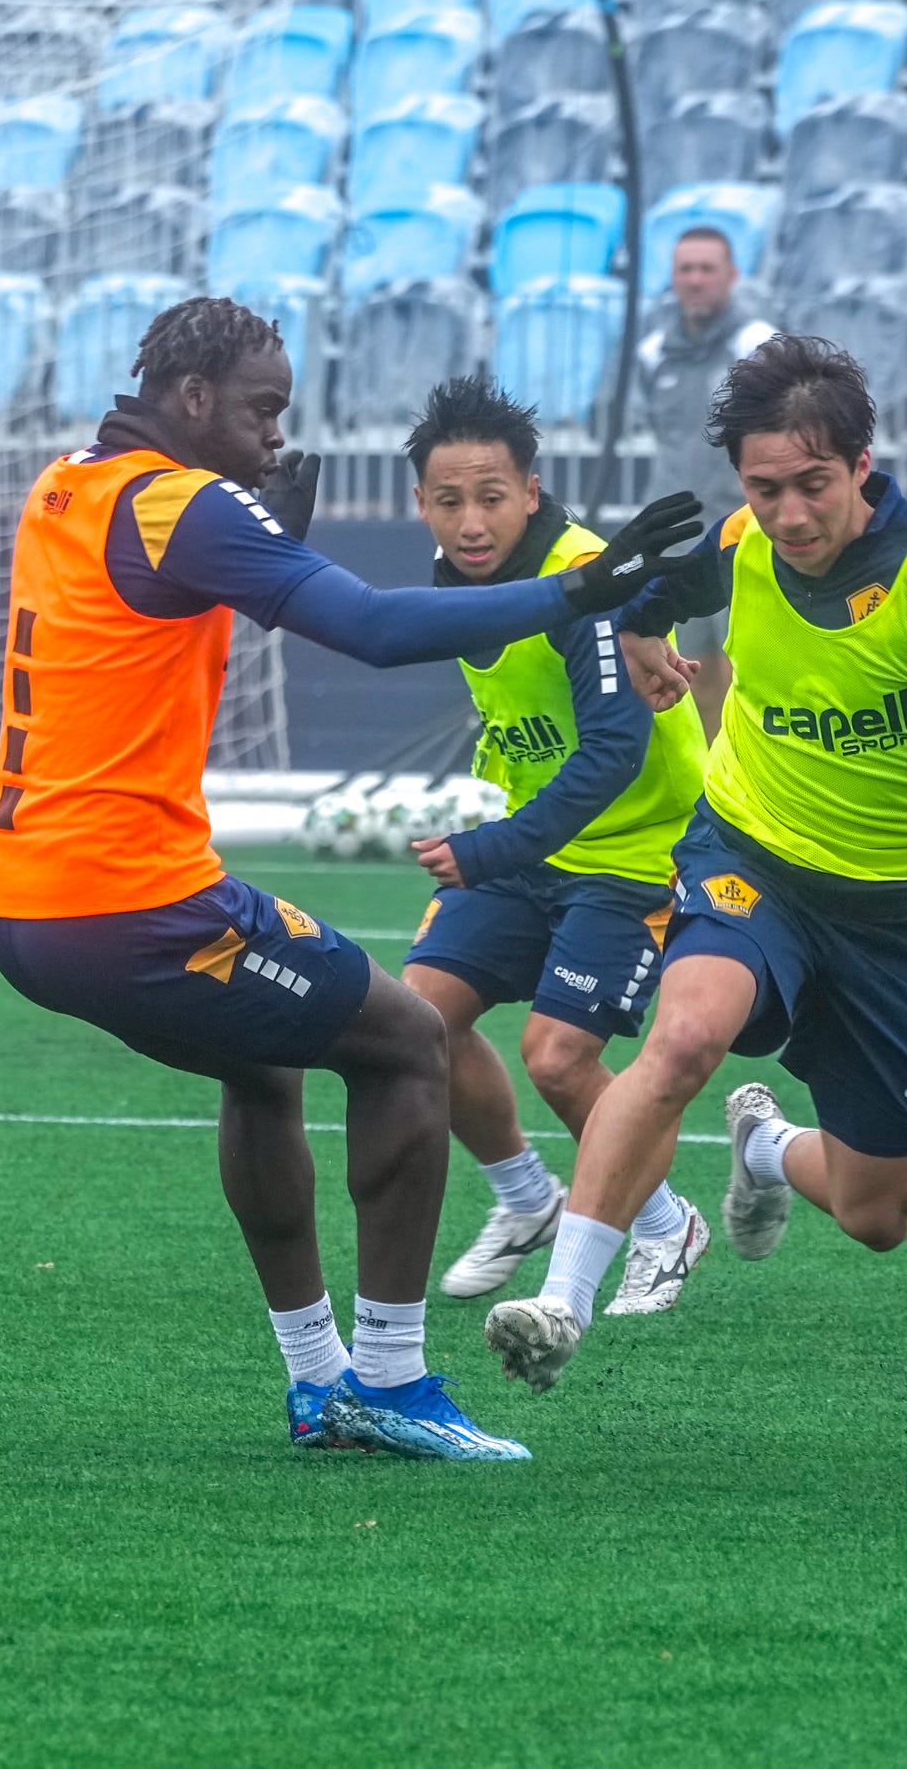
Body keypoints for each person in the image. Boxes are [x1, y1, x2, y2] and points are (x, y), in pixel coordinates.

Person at [0, 297, 703, 1462]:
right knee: (410, 1039)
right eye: (263, 410)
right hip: (130, 900)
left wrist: (254, 542)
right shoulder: (188, 505)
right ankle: (395, 1380)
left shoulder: (69, 482)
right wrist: (579, 589)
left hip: (21, 901)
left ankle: (320, 1385)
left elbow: (154, 612)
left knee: (265, 1062)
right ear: (195, 400)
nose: (277, 436)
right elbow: (366, 626)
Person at [479, 335, 907, 1393]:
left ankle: (764, 1152)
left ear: (862, 464)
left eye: (812, 485)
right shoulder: (738, 541)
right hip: (747, 856)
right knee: (683, 1037)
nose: (790, 515)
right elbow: (637, 599)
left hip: (892, 916)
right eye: (765, 490)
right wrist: (640, 640)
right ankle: (564, 1303)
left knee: (878, 1214)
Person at [392, 376, 714, 1319]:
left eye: (491, 496)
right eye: (448, 500)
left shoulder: (588, 581)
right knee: (416, 1026)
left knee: (559, 1057)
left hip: (638, 851)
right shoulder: (456, 583)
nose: (471, 519)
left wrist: (489, 849)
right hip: (537, 845)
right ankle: (529, 1198)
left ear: (531, 492)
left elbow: (614, 753)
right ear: (421, 505)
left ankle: (663, 1224)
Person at [638, 226, 778, 743]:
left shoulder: (758, 344)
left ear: (732, 276)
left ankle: (760, 781)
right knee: (691, 670)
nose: (695, 280)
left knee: (751, 668)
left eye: (707, 268)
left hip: (744, 533)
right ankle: (713, 784)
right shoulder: (653, 351)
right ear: (672, 277)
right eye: (685, 269)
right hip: (678, 537)